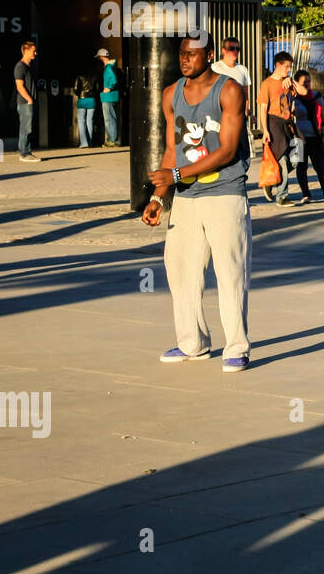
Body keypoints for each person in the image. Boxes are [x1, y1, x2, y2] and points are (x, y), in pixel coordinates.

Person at [141, 35, 252, 372]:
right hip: (187, 195)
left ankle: (237, 347)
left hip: (226, 193)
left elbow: (228, 150)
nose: (185, 59)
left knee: (230, 271)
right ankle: (193, 343)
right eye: (181, 54)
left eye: (192, 54)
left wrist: (175, 175)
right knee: (180, 270)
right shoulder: (170, 93)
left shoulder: (230, 90)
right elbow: (173, 148)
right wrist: (159, 196)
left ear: (209, 54)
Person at [258, 51, 297, 206]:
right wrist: (265, 130)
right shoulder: (267, 83)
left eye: (290, 67)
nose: (288, 69)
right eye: (286, 66)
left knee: (296, 158)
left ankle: (271, 180)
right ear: (277, 65)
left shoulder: (287, 82)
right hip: (273, 122)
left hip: (288, 124)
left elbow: (302, 93)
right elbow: (262, 108)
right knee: (283, 158)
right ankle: (282, 196)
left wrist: (291, 80)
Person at [292, 70, 324, 203]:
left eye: (309, 81)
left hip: (315, 137)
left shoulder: (317, 96)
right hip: (298, 138)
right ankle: (306, 194)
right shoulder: (292, 98)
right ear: (297, 83)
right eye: (304, 82)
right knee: (301, 167)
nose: (307, 84)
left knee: (320, 166)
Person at [13, 40, 40, 163]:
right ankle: (24, 153)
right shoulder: (20, 66)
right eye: (33, 51)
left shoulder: (28, 67)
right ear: (26, 51)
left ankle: (27, 151)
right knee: (26, 128)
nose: (35, 53)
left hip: (29, 102)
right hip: (25, 103)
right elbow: (19, 86)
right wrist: (29, 99)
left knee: (28, 127)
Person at [96, 48, 120, 146]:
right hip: (110, 96)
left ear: (101, 57)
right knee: (111, 118)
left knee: (109, 118)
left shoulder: (108, 67)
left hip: (108, 96)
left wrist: (109, 88)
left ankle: (112, 140)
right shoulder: (112, 66)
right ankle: (112, 139)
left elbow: (114, 80)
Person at [74, 73, 97, 148]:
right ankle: (90, 143)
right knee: (90, 121)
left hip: (82, 99)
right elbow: (97, 88)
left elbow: (76, 89)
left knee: (81, 121)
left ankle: (84, 143)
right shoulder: (95, 76)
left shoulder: (79, 76)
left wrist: (78, 94)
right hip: (92, 100)